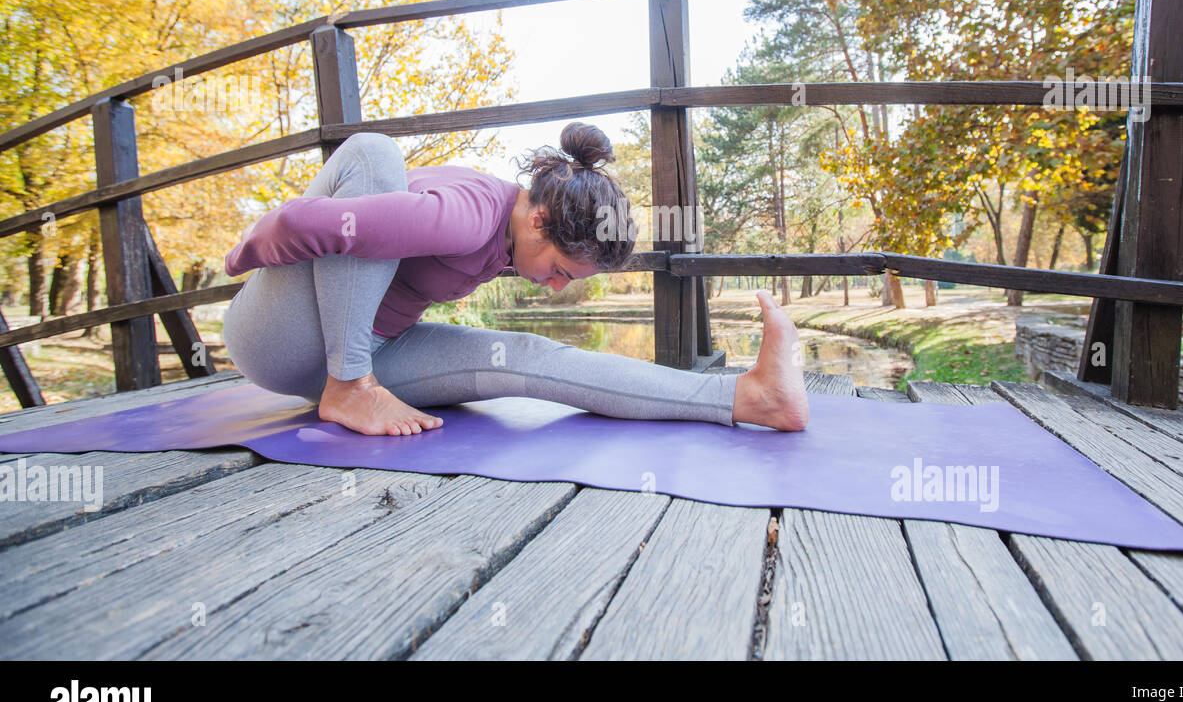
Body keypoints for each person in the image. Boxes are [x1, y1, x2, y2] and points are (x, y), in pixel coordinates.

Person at [221, 123, 809, 436]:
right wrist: (241, 262)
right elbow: (297, 222)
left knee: (525, 354)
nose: (555, 288)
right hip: (281, 338)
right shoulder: (467, 215)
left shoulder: (509, 235)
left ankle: (750, 398)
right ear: (539, 221)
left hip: (365, 354)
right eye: (560, 272)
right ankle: (350, 385)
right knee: (374, 154)